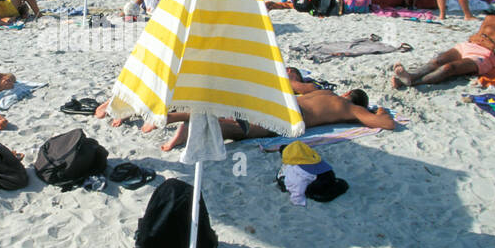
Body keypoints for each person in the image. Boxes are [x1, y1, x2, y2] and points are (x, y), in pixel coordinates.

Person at [148, 89, 396, 151]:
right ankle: (191, 126)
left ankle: (176, 117)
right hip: (289, 118)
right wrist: (381, 112)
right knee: (240, 130)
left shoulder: (324, 93)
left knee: (232, 115)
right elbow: (385, 124)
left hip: (280, 103)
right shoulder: (349, 107)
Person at [391, 0, 495, 88]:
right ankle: (411, 76)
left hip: (486, 56)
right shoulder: (490, 18)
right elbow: (476, 36)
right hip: (468, 46)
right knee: (438, 60)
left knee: (449, 68)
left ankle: (414, 82)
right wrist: (474, 38)